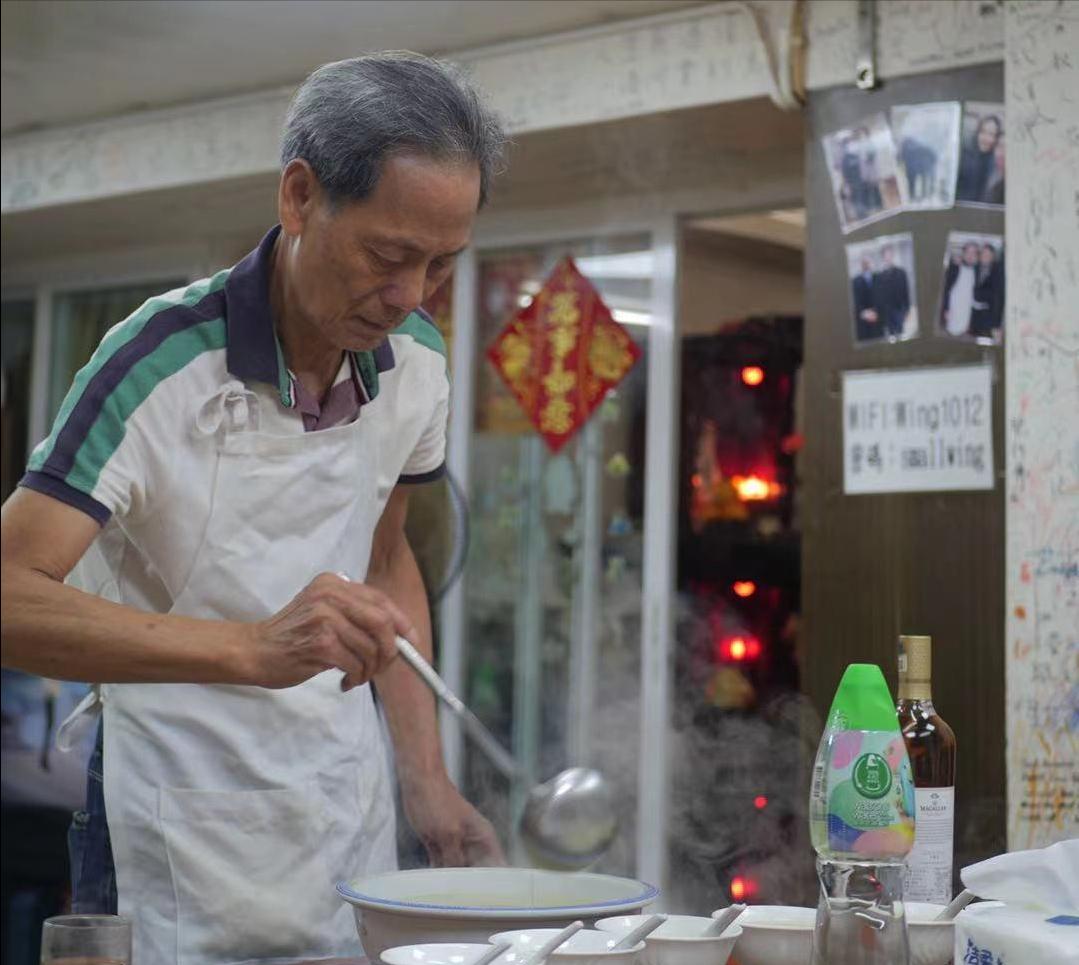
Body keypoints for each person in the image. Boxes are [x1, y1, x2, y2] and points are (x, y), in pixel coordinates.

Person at [0, 53, 506, 963]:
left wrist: (425, 777)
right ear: (300, 196)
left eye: (440, 264)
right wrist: (250, 647)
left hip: (341, 804)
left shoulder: (417, 362)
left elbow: (387, 561)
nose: (410, 299)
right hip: (173, 812)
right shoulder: (155, 364)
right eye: (390, 256)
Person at [957, 114, 1002, 204]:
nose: (986, 138)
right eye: (983, 132)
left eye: (991, 134)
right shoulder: (964, 153)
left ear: (996, 138)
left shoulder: (996, 160)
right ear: (978, 132)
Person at [872, 243, 912, 339]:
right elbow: (877, 296)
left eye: (889, 254)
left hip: (899, 309)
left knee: (900, 333)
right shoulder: (879, 276)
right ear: (883, 257)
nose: (888, 257)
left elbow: (906, 291)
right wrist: (878, 311)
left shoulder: (901, 272)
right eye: (886, 254)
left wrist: (907, 309)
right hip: (886, 311)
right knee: (890, 335)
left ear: (892, 255)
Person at [941, 242, 980, 336]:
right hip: (953, 309)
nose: (970, 256)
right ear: (963, 253)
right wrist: (946, 308)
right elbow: (946, 290)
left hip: (967, 310)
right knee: (950, 332)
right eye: (968, 252)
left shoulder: (977, 272)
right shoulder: (955, 268)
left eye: (973, 253)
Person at [970, 244, 1004, 340]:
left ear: (992, 257)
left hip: (988, 315)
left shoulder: (997, 271)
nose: (985, 256)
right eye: (983, 253)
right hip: (972, 316)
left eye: (988, 255)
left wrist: (996, 324)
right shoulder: (975, 267)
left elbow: (998, 298)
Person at [851, 254, 881, 342]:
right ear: (861, 264)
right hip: (863, 322)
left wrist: (876, 312)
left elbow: (882, 298)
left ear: (872, 263)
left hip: (877, 319)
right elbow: (855, 301)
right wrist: (864, 313)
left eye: (868, 262)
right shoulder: (855, 281)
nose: (866, 264)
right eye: (864, 262)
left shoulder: (879, 278)